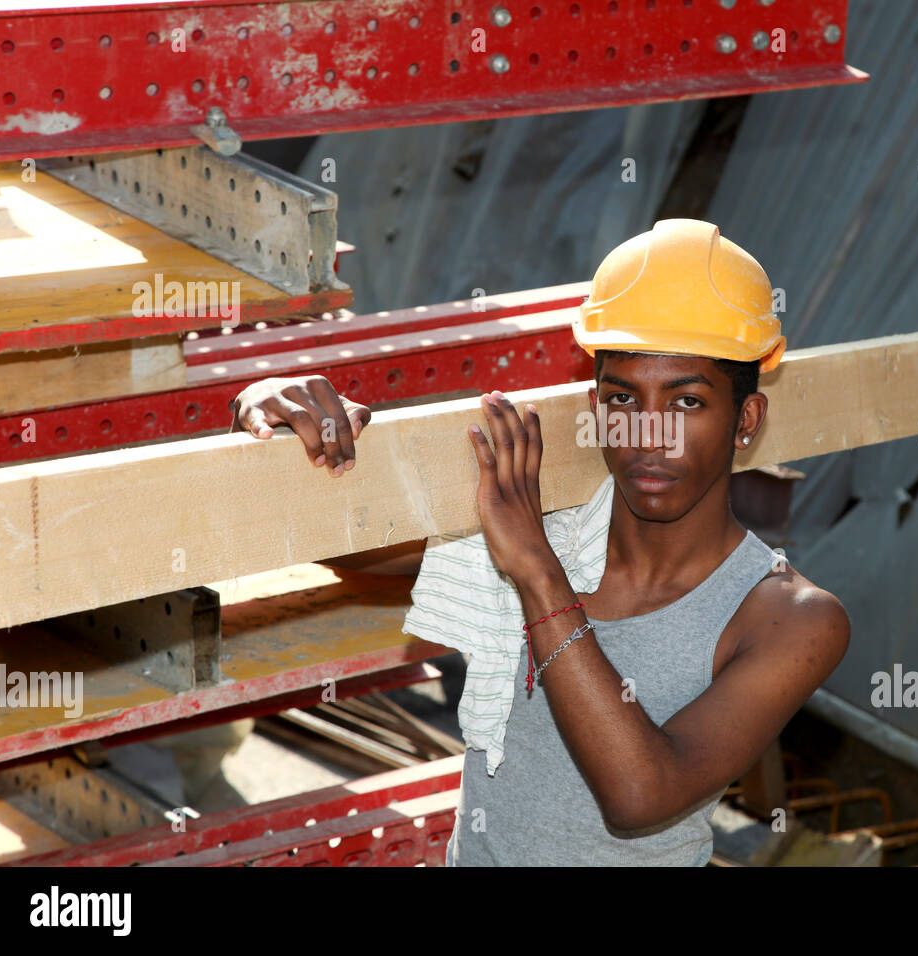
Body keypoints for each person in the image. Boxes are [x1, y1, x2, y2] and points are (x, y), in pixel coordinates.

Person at [230, 218, 851, 865]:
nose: (649, 435)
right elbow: (349, 553)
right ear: (595, 405)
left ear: (745, 419)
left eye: (688, 402)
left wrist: (538, 575)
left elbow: (641, 794)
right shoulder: (550, 523)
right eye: (623, 399)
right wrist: (283, 426)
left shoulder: (790, 618)